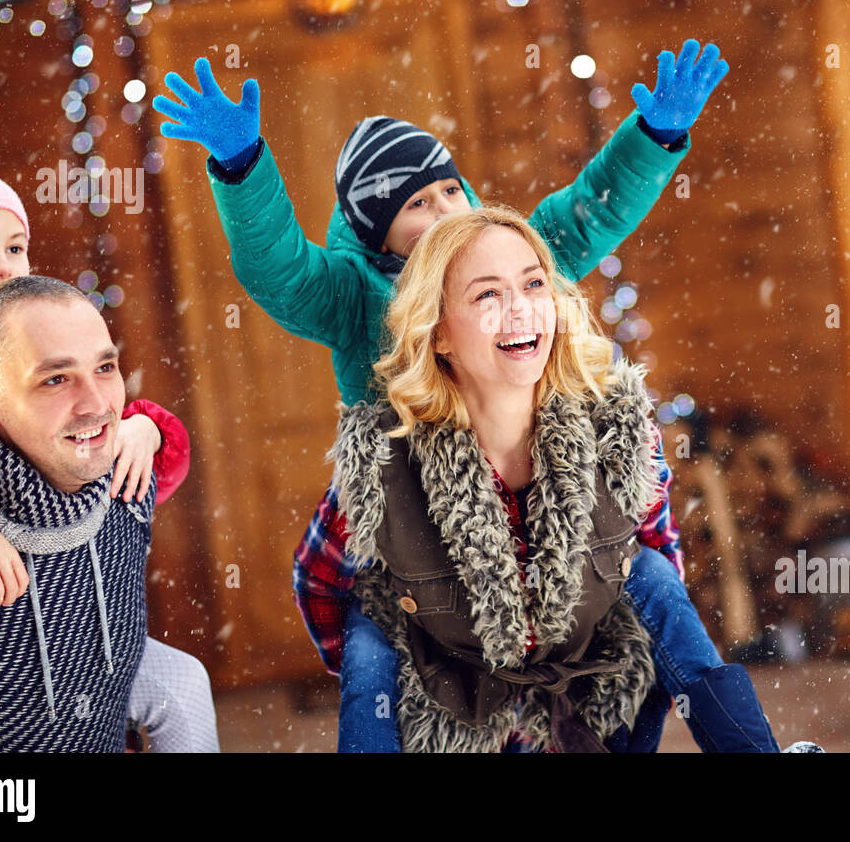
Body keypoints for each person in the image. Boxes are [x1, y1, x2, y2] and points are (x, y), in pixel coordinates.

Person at [155, 42, 746, 750]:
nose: (442, 209)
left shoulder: (501, 255)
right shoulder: (350, 293)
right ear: (378, 233)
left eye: (448, 191)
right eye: (414, 203)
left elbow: (587, 214)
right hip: (420, 511)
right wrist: (242, 166)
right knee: (378, 651)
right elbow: (279, 270)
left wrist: (654, 137)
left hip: (527, 483)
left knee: (637, 598)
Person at [314, 206, 787, 751]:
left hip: (587, 688)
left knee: (651, 572)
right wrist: (381, 668)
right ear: (439, 333)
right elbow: (322, 581)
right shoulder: (384, 462)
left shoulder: (617, 432)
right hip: (456, 695)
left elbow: (658, 549)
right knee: (369, 628)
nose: (518, 308)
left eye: (533, 283)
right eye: (487, 294)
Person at [0, 143, 216, 752]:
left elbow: (91, 417)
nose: (2, 266)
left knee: (179, 679)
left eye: (15, 247)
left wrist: (149, 430)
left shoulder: (27, 327)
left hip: (47, 583)